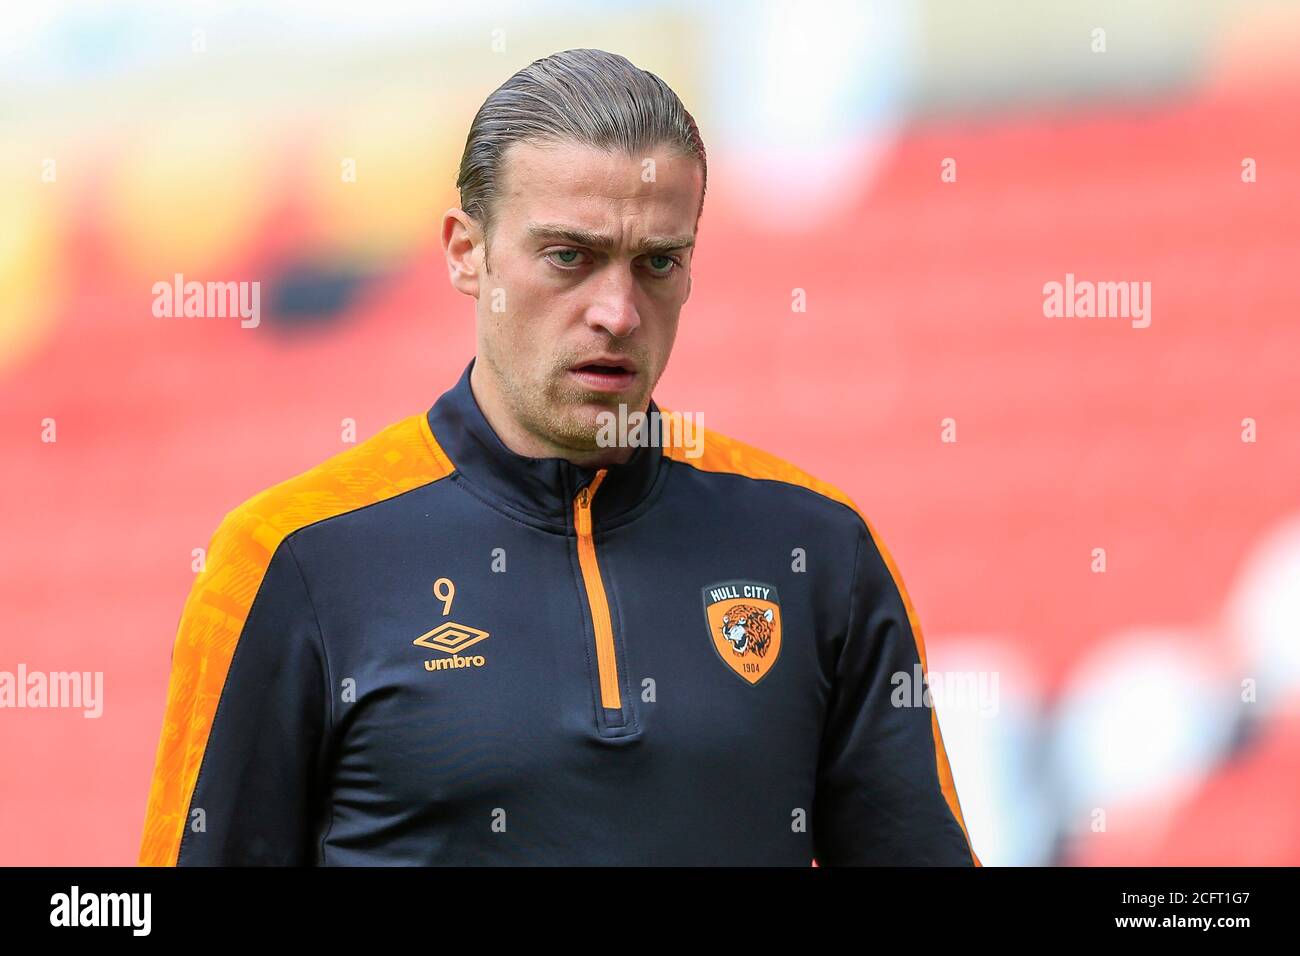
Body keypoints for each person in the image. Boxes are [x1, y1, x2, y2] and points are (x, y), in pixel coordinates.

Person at [138, 48, 980, 866]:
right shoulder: (292, 558)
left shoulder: (817, 548)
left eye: (657, 263)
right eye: (569, 257)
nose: (616, 311)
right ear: (467, 254)